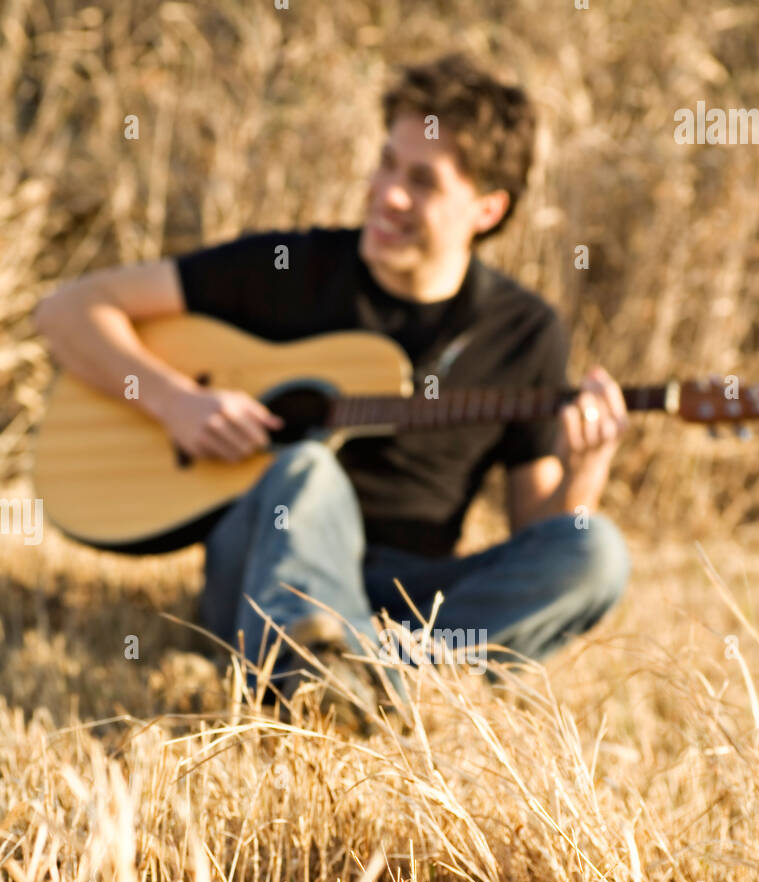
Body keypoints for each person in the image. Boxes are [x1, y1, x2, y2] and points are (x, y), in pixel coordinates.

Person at [34, 52, 630, 731]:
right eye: (386, 164)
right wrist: (175, 401)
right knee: (310, 469)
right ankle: (328, 671)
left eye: (423, 181)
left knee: (594, 550)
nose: (387, 194)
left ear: (487, 208)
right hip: (262, 568)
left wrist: (588, 467)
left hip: (412, 600)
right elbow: (68, 310)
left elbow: (537, 533)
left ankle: (359, 679)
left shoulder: (525, 331)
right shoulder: (295, 267)